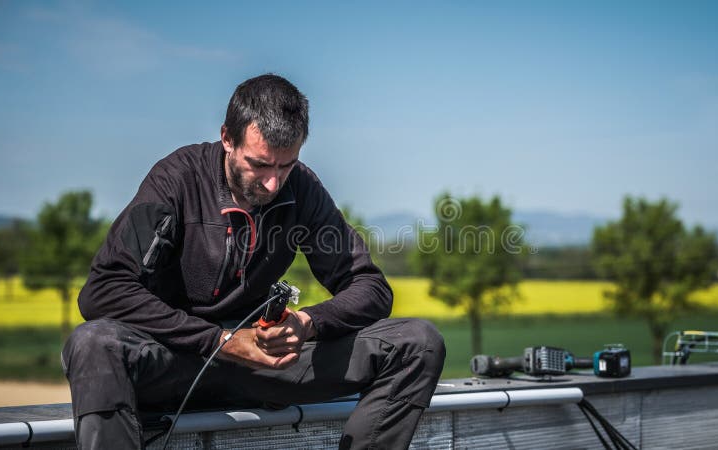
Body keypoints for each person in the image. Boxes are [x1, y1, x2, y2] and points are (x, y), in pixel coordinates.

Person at [62, 74, 446, 450]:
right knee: (94, 342)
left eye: (286, 166)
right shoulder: (174, 179)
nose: (273, 184)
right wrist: (219, 341)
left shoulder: (303, 188)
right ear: (227, 138)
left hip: (265, 366)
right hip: (177, 361)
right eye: (260, 165)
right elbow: (103, 290)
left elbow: (371, 287)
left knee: (418, 343)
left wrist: (307, 323)